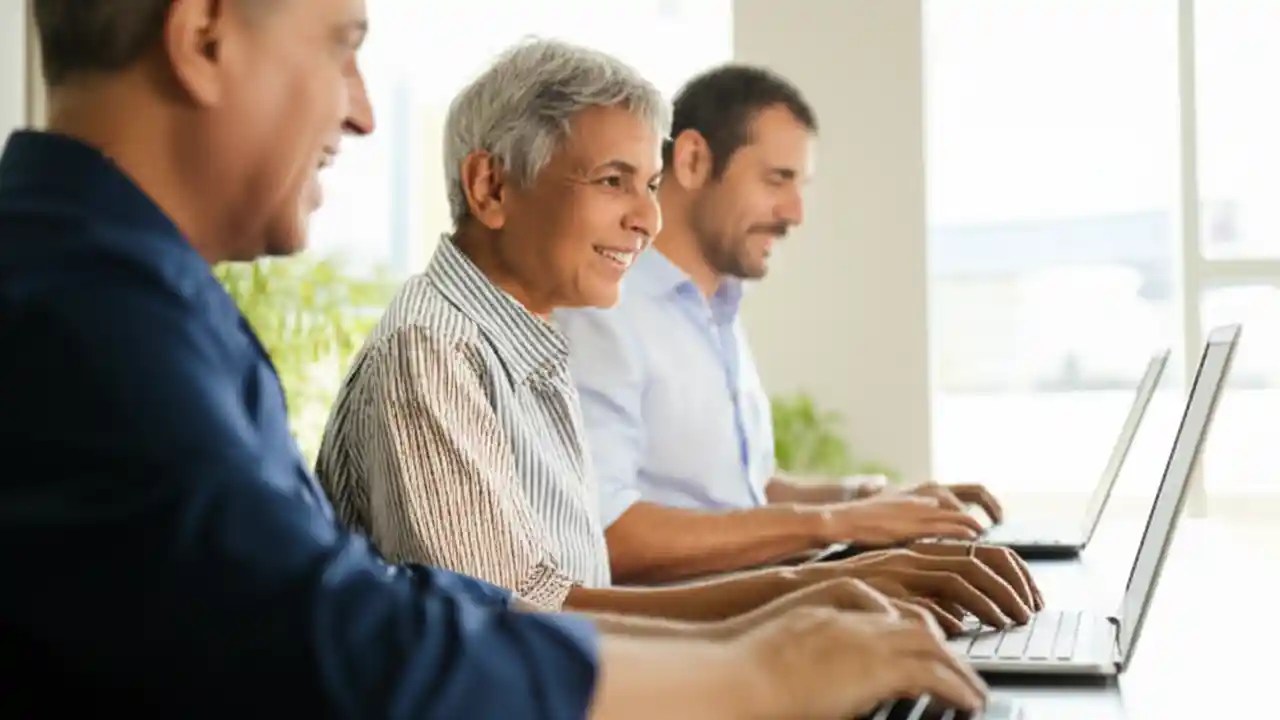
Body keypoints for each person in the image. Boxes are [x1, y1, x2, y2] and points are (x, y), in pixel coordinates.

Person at [0, 1, 991, 717]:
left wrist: (780, 617)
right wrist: (759, 668)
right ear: (204, 35)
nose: (361, 112)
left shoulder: (134, 300)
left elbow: (400, 606)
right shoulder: (92, 325)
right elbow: (353, 651)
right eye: (341, 46)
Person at [315, 38, 1042, 635]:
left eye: (648, 184)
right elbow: (516, 630)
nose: (649, 218)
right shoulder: (434, 352)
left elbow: (561, 592)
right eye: (612, 181)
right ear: (492, 189)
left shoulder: (520, 341)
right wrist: (822, 586)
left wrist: (840, 567)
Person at [553, 64, 1011, 587]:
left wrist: (869, 498)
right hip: (693, 639)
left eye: (801, 185)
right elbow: (606, 533)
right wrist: (832, 524)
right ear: (693, 159)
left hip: (763, 607)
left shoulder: (715, 308)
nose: (795, 212)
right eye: (778, 179)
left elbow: (737, 493)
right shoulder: (603, 311)